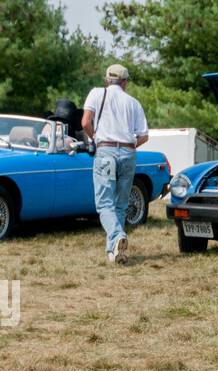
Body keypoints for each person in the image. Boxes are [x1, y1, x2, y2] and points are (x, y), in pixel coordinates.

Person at [82, 64, 149, 264]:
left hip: (106, 152)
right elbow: (144, 136)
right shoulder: (134, 102)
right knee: (120, 204)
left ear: (106, 79)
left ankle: (118, 235)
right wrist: (128, 147)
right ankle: (114, 252)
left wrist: (95, 139)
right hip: (128, 153)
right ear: (125, 82)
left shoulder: (96, 93)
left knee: (104, 203)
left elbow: (85, 122)